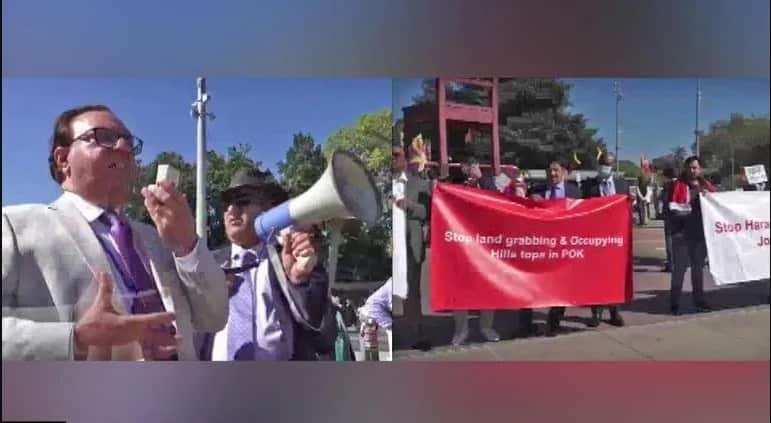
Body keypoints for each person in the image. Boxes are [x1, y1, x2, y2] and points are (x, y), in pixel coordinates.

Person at [2, 104, 227, 360]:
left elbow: (214, 318)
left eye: (129, 142)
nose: (124, 148)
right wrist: (75, 338)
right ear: (64, 159)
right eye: (104, 138)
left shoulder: (159, 239)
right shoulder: (14, 226)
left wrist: (187, 246)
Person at [194, 168, 328, 361]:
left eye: (242, 200)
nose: (231, 210)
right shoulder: (206, 264)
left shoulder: (295, 259)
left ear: (268, 208)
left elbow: (323, 333)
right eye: (226, 204)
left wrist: (299, 282)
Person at [522, 159, 582, 336]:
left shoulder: (575, 192)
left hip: (564, 247)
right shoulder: (536, 191)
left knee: (561, 287)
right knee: (530, 285)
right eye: (549, 171)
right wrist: (531, 203)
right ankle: (525, 325)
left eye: (556, 170)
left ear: (563, 171)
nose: (552, 174)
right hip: (539, 247)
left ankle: (553, 323)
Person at [450, 157, 501, 345]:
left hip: (486, 244)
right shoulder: (455, 184)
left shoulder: (487, 183)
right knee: (460, 287)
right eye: (467, 165)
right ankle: (461, 329)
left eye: (474, 165)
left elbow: (497, 200)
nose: (470, 169)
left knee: (488, 285)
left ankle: (486, 326)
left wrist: (481, 179)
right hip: (463, 243)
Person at [392, 144, 432, 351]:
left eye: (396, 155)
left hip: (411, 245)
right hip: (391, 247)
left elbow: (428, 211)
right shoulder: (384, 184)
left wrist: (410, 206)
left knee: (412, 291)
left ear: (405, 159)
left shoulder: (419, 183)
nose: (392, 159)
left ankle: (416, 334)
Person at [582, 153, 628, 328]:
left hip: (616, 239)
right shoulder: (588, 187)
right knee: (596, 277)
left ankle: (614, 312)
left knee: (615, 277)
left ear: (614, 166)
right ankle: (596, 313)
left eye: (608, 164)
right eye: (602, 164)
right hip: (595, 238)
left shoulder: (622, 186)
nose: (605, 167)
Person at [668, 156, 715, 315]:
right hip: (682, 235)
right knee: (679, 271)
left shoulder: (706, 185)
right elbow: (672, 208)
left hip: (700, 235)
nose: (693, 170)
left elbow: (717, 204)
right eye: (690, 167)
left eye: (695, 167)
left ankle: (699, 300)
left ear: (700, 169)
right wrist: (692, 197)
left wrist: (709, 195)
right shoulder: (678, 185)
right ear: (686, 169)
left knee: (698, 270)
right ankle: (674, 302)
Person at [660, 167, 677, 272]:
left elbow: (665, 199)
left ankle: (671, 264)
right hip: (682, 215)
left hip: (670, 216)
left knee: (669, 239)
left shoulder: (668, 185)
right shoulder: (682, 183)